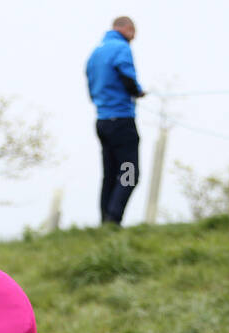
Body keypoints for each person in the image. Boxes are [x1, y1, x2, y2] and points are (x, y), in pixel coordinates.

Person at [85, 16, 145, 226]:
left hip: (102, 122)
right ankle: (114, 218)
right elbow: (126, 75)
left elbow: (91, 87)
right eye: (133, 34)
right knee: (129, 172)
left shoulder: (96, 52)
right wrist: (136, 92)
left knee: (110, 173)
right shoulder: (121, 48)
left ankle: (105, 220)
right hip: (122, 121)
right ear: (128, 29)